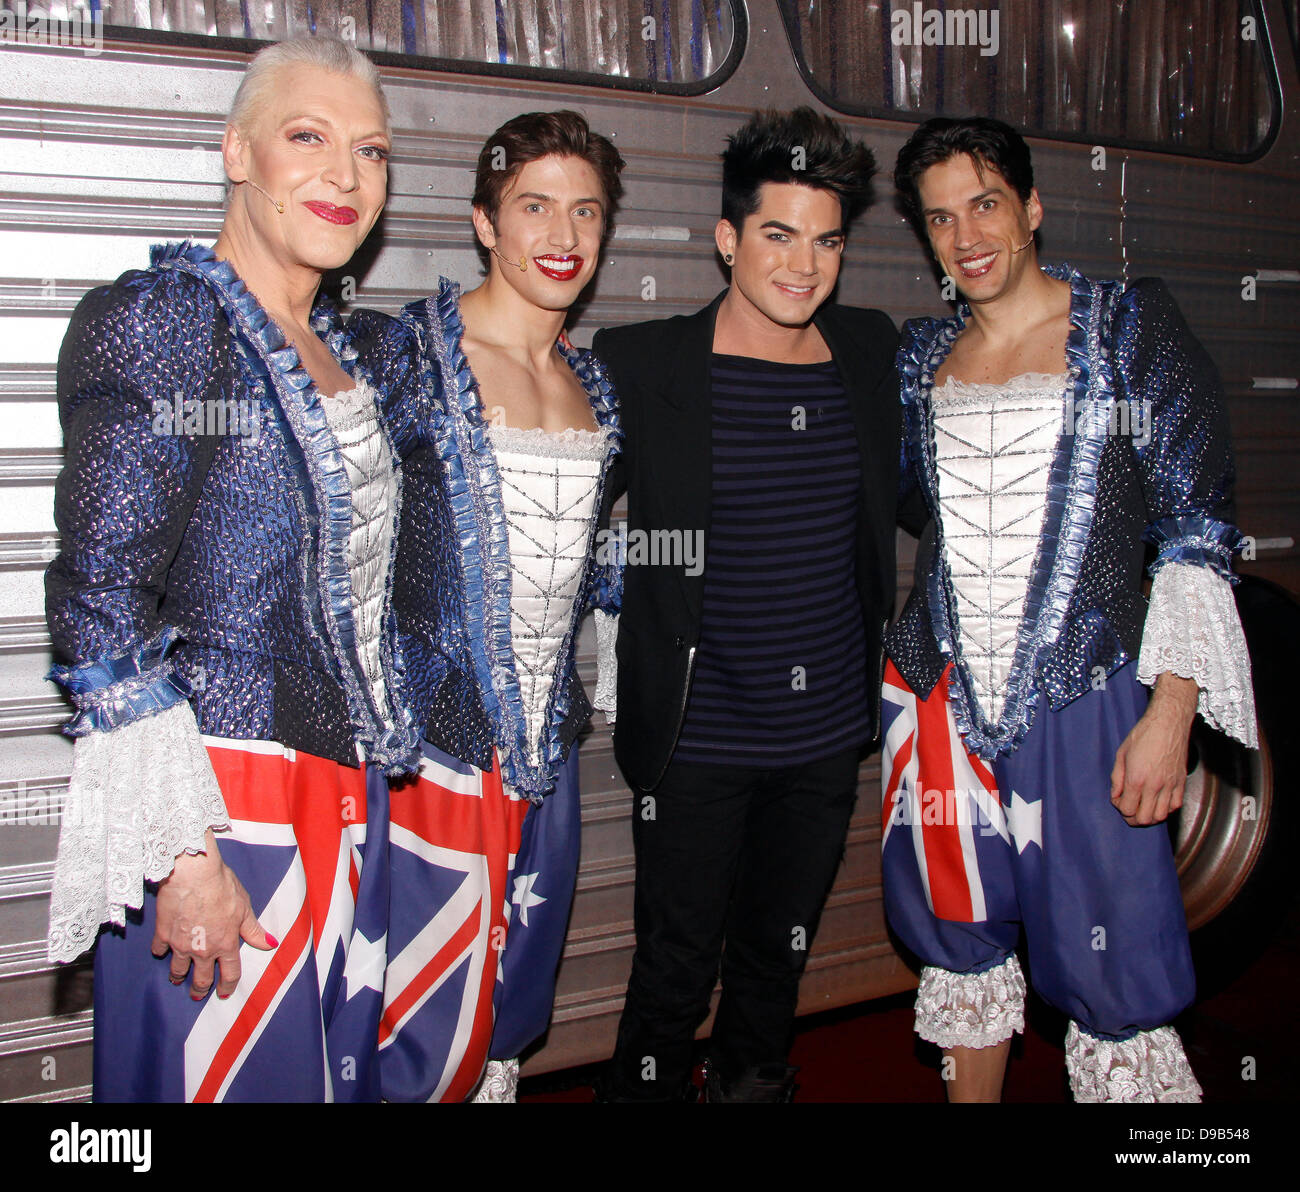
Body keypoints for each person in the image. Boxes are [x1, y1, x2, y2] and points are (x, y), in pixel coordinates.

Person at [44, 36, 418, 1101]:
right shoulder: (167, 321)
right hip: (217, 802)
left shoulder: (353, 354)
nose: (346, 176)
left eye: (373, 151)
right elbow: (101, 611)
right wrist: (181, 857)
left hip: (345, 796)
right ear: (236, 153)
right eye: (309, 137)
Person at [882, 116, 1258, 1102]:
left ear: (1032, 206)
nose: (964, 235)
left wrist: (1170, 712)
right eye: (939, 219)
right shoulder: (920, 360)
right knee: (959, 943)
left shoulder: (1126, 326)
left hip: (1088, 695)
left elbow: (1193, 531)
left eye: (984, 204)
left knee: (1115, 969)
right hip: (940, 695)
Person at [592, 107, 901, 1102]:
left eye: (826, 241)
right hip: (696, 740)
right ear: (728, 239)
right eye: (777, 235)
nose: (803, 265)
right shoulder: (644, 364)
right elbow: (552, 508)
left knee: (776, 963)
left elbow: (927, 496)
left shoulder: (866, 352)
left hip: (821, 740)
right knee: (673, 973)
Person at [349, 110, 625, 1103]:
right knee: (410, 1030)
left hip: (542, 766)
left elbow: (578, 561)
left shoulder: (591, 384)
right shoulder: (404, 358)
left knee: (500, 1026)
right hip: (426, 766)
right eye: (535, 207)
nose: (563, 235)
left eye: (585, 212)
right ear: (484, 222)